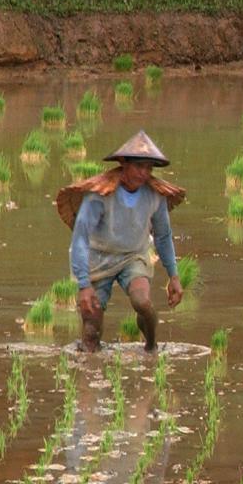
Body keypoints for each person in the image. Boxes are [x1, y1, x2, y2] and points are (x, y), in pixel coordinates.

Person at [57, 130, 186, 353]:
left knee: (142, 303)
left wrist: (174, 276)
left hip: (133, 256)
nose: (144, 173)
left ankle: (151, 349)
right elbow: (80, 238)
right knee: (91, 328)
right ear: (124, 164)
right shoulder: (99, 195)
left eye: (149, 168)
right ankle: (91, 362)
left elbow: (163, 235)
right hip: (97, 258)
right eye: (139, 166)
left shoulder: (155, 196)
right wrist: (84, 285)